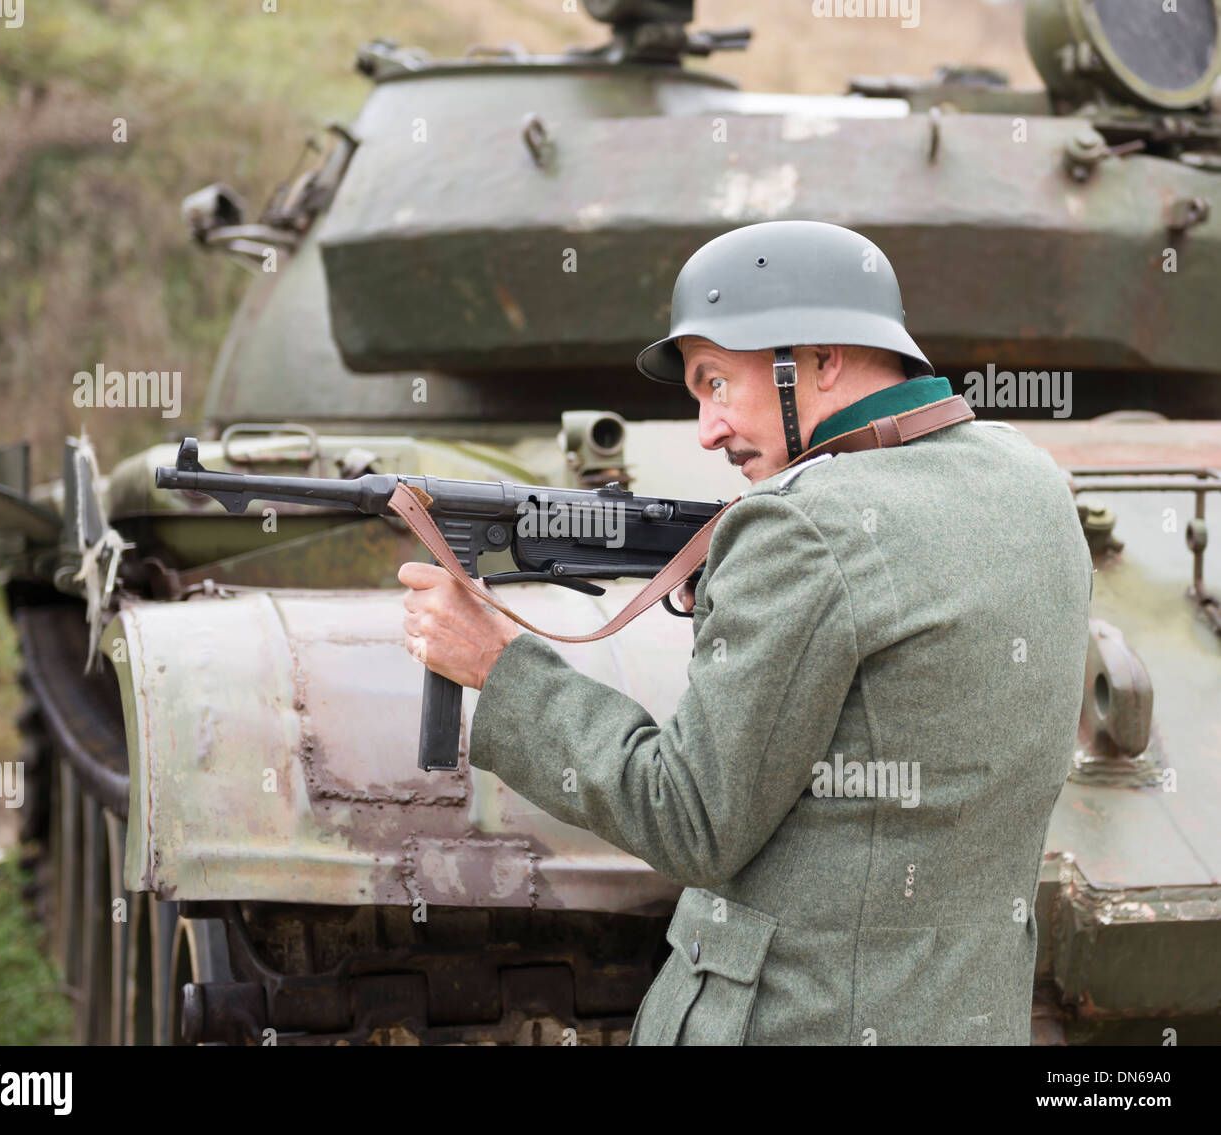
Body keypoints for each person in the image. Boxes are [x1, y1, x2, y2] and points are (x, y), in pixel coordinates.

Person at [399, 220, 1092, 1045]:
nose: (707, 429)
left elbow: (688, 816)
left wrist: (501, 666)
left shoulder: (800, 530)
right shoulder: (1033, 482)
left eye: (717, 382)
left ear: (824, 359)